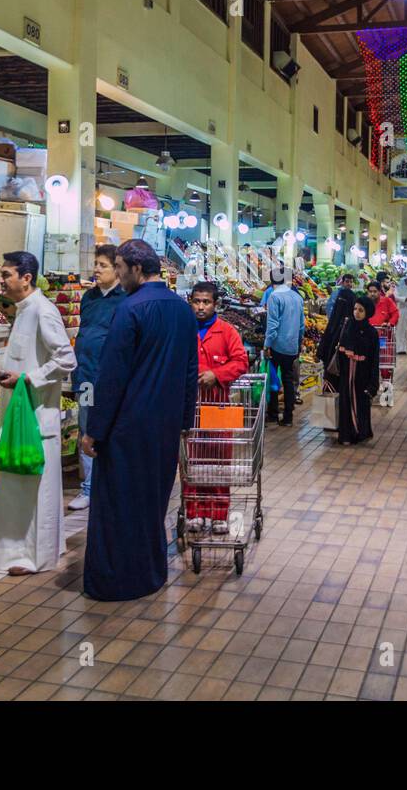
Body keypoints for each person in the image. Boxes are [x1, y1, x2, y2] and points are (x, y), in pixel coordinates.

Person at [83, 240, 198, 601]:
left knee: (117, 505)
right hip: (164, 428)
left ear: (136, 268)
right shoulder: (182, 310)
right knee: (153, 502)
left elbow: (111, 376)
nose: (117, 274)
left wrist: (94, 430)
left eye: (119, 267)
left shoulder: (130, 309)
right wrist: (184, 421)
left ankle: (116, 581)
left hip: (126, 428)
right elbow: (190, 371)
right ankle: (150, 573)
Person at [0, 251, 77, 576]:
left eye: (6, 274)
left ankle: (35, 558)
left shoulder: (43, 310)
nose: (1, 281)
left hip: (37, 418)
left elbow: (67, 359)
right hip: (19, 414)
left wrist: (28, 379)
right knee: (19, 490)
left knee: (36, 493)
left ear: (26, 278)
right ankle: (21, 552)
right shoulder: (23, 310)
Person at [183, 281, 249, 535]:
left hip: (219, 406)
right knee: (191, 460)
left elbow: (241, 361)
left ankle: (219, 514)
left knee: (219, 459)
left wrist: (217, 374)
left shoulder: (227, 332)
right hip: (190, 406)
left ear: (215, 304)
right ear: (190, 302)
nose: (201, 307)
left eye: (206, 302)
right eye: (196, 301)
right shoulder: (183, 330)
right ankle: (194, 512)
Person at [69, 244, 125, 512]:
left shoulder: (125, 300)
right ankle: (89, 488)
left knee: (112, 431)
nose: (97, 269)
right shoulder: (88, 298)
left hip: (111, 380)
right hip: (86, 378)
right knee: (86, 428)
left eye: (103, 265)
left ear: (117, 269)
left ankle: (112, 486)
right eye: (96, 264)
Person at [334, 295, 380, 445]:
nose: (357, 313)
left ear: (368, 312)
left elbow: (374, 358)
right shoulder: (347, 327)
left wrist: (373, 380)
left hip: (362, 374)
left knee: (361, 402)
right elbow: (340, 351)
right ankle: (346, 435)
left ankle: (361, 433)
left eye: (361, 310)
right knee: (345, 403)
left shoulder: (371, 333)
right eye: (355, 309)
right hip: (346, 373)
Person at [263, 271, 305, 426]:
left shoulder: (274, 297)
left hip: (277, 345)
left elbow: (273, 325)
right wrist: (299, 342)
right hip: (292, 345)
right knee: (288, 379)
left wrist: (267, 344)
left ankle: (273, 413)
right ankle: (288, 417)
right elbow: (301, 325)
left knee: (274, 378)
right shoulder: (297, 297)